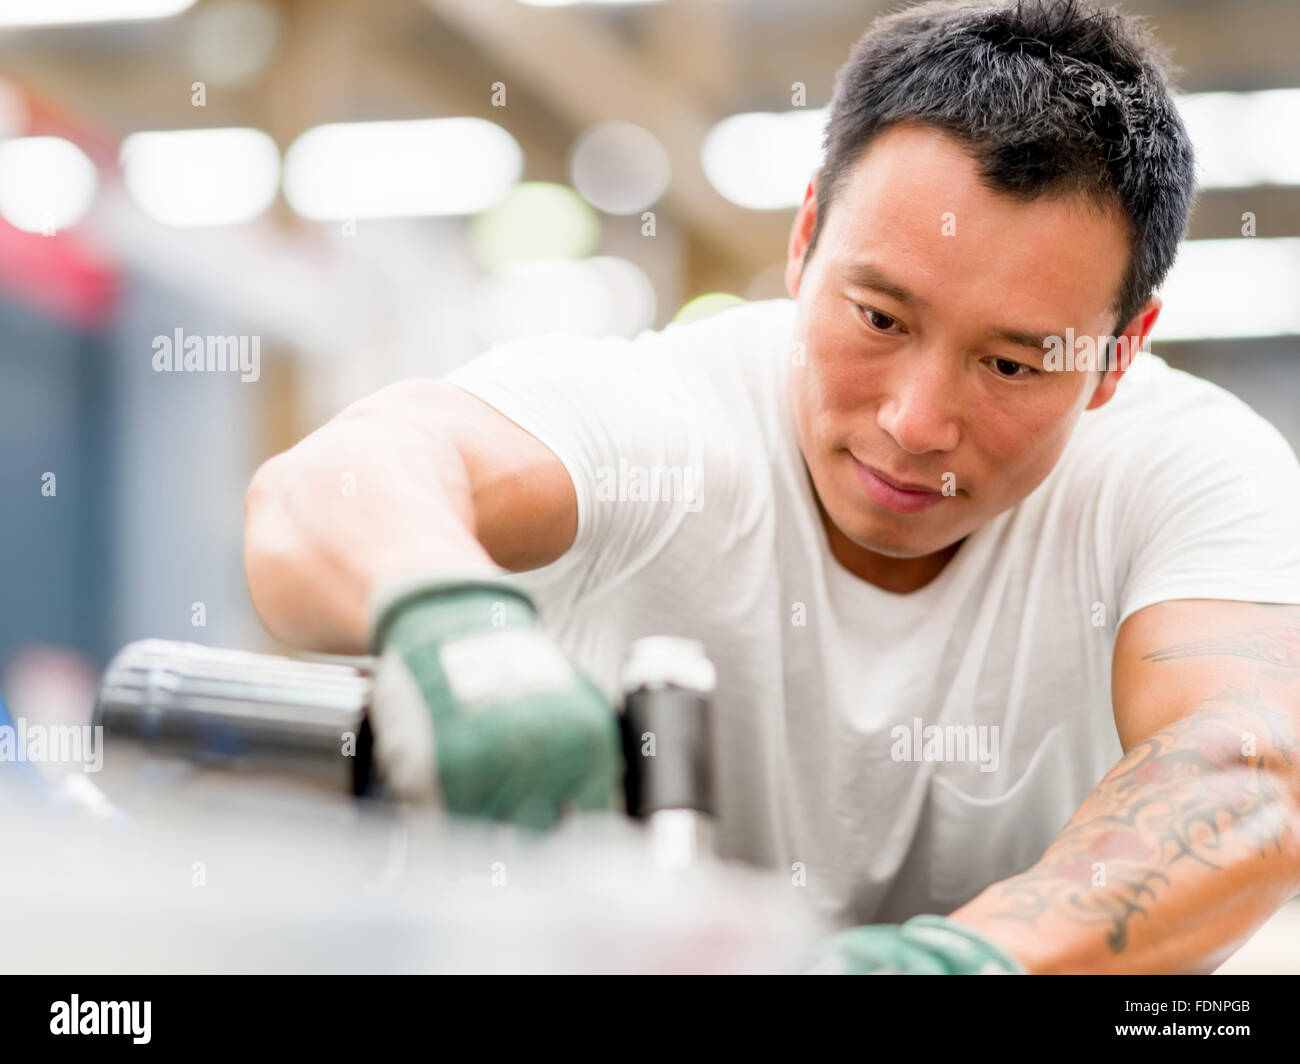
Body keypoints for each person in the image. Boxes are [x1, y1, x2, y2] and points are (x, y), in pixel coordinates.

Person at [243, 0, 1300, 974]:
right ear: (804, 242)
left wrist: (955, 968)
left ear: (1117, 354)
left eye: (1011, 365)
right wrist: (453, 625)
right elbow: (334, 480)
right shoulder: (662, 418)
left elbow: (1251, 769)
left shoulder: (1191, 470)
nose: (913, 420)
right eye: (878, 319)